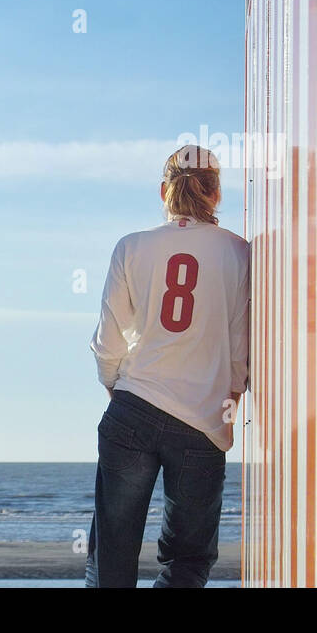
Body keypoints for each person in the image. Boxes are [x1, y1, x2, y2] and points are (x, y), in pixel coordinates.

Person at [85, 145, 251, 588]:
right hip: (202, 421)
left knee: (112, 560)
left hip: (133, 407)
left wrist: (115, 388)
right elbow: (240, 348)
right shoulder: (240, 253)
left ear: (164, 190)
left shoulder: (132, 247)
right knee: (186, 561)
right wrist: (230, 399)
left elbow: (108, 340)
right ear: (215, 194)